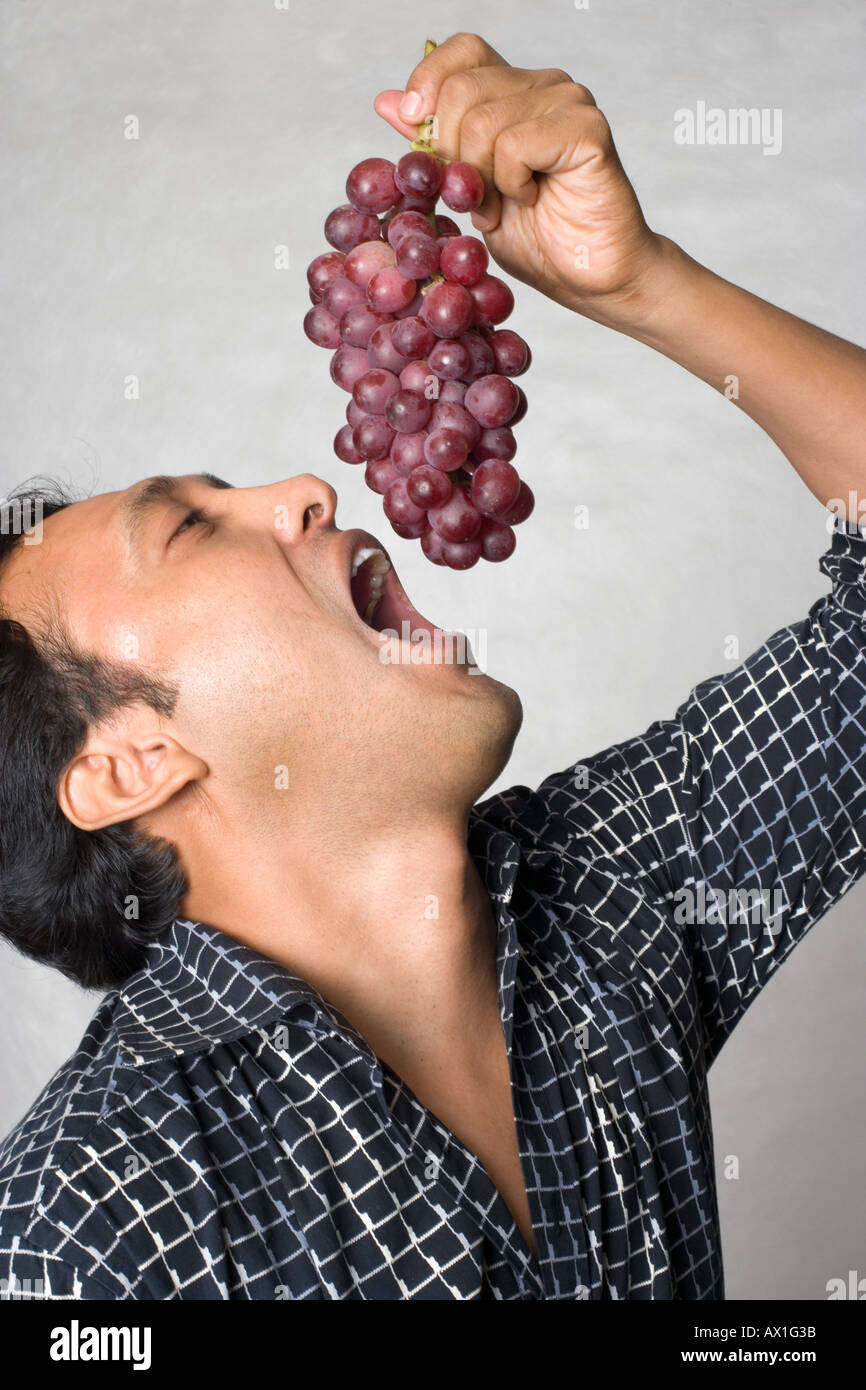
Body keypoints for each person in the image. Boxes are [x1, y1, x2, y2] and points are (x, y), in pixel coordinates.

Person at [0, 31, 864, 1301]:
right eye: (189, 528)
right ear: (130, 760)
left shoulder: (608, 892)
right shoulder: (90, 1236)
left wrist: (639, 284)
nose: (304, 487)